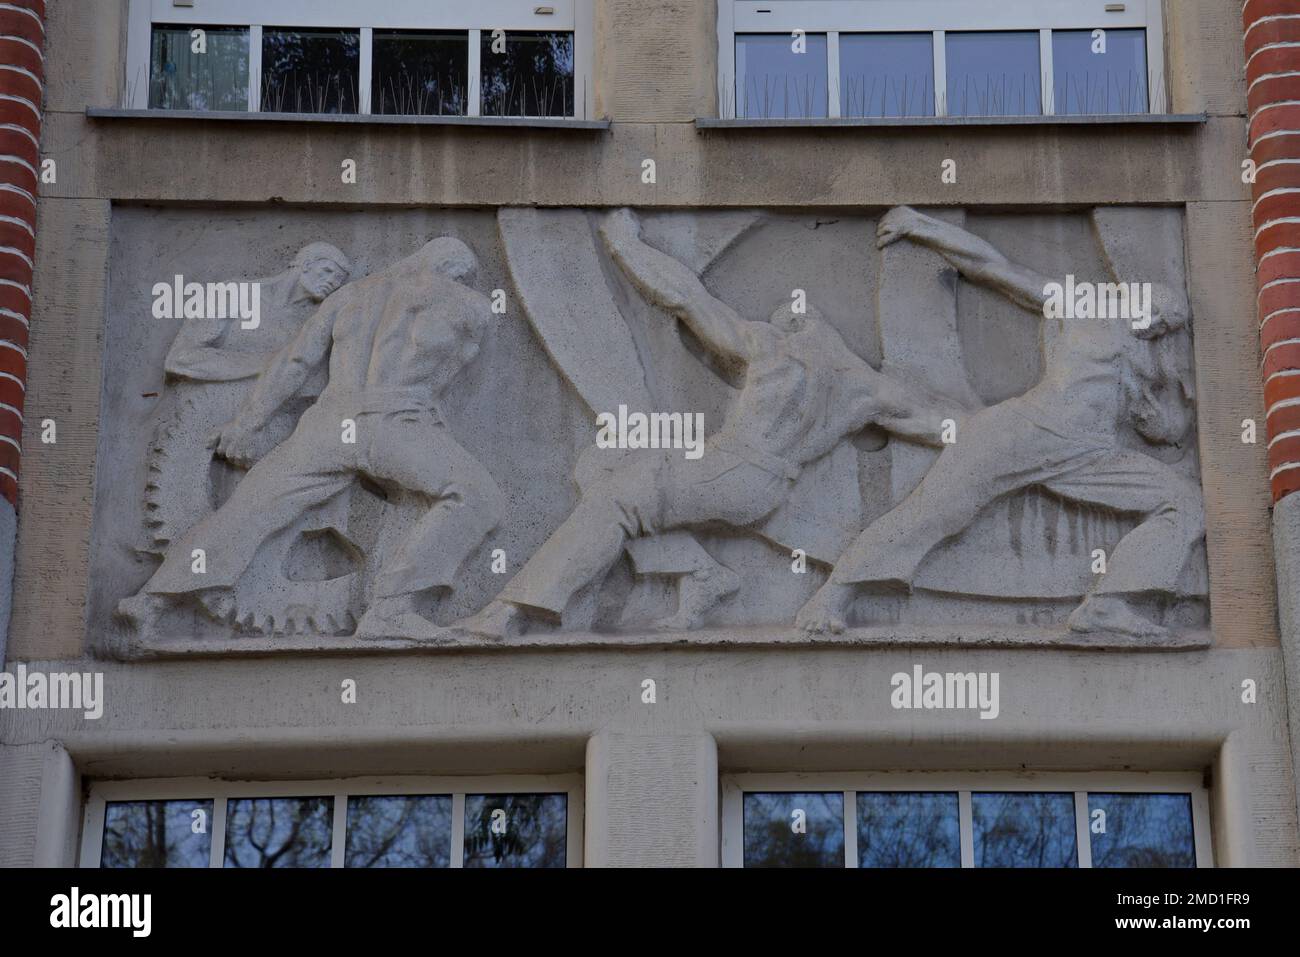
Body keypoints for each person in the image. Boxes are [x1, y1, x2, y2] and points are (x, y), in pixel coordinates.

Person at [464, 208, 953, 639]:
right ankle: (698, 573)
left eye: (782, 314)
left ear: (795, 325)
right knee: (603, 462)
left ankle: (510, 611)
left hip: (732, 468)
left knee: (615, 501)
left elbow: (685, 297)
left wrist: (624, 243)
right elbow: (947, 429)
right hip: (758, 482)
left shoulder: (774, 350)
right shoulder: (870, 389)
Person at [795, 206, 1204, 639]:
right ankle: (836, 593)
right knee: (934, 513)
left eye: (1167, 326)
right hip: (1025, 430)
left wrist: (1164, 414)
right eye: (1156, 311)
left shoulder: (1145, 366)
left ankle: (1108, 605)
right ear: (1133, 296)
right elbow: (993, 267)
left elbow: (1164, 432)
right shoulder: (1080, 306)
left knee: (1184, 500)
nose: (1157, 324)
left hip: (1091, 453)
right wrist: (921, 226)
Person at [120, 237, 504, 638]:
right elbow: (446, 372)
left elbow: (295, 361)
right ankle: (390, 609)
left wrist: (247, 425)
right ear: (457, 272)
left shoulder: (351, 295)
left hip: (329, 424)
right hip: (398, 420)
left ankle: (151, 600)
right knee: (476, 497)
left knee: (250, 508)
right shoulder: (467, 304)